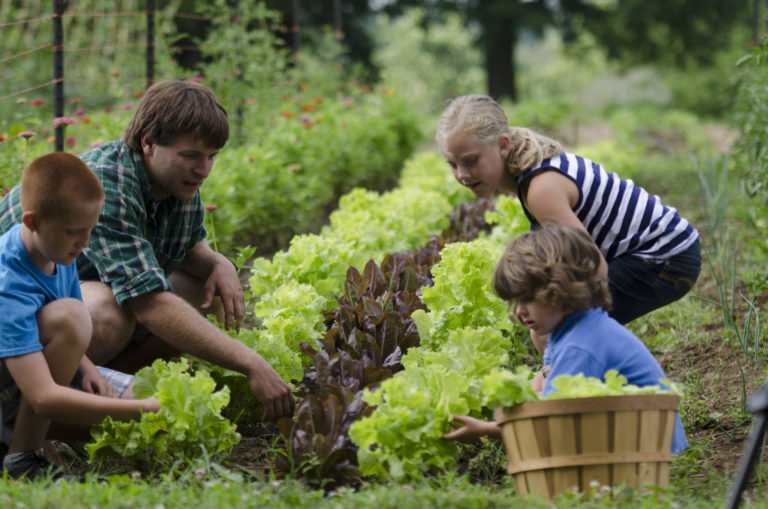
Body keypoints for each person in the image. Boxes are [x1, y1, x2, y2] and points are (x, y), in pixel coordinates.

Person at [0, 80, 294, 422]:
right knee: (108, 311)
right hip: (13, 317)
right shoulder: (108, 184)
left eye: (211, 157)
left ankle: (102, 398)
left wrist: (218, 262)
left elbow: (185, 246)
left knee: (206, 293)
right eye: (191, 156)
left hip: (53, 307)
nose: (204, 170)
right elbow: (149, 304)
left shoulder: (177, 182)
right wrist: (251, 362)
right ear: (149, 144)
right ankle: (29, 417)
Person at [436, 94, 701, 347]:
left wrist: (557, 328)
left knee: (557, 328)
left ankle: (589, 384)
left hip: (666, 257)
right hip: (663, 252)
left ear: (503, 146)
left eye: (471, 161)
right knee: (548, 323)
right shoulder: (530, 169)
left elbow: (593, 268)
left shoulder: (541, 189)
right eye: (452, 164)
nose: (462, 174)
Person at [442, 226, 687, 454]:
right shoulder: (575, 328)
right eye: (513, 302)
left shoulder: (580, 345)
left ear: (562, 289)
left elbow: (554, 418)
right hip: (641, 439)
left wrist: (486, 430)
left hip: (650, 448)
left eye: (527, 299)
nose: (518, 311)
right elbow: (545, 381)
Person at [0, 152, 160, 480]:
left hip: (27, 368)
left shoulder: (57, 247)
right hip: (14, 382)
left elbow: (66, 318)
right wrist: (141, 411)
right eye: (75, 232)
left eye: (89, 230)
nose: (84, 243)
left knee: (157, 421)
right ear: (31, 221)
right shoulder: (8, 282)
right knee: (72, 318)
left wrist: (86, 367)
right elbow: (43, 397)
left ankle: (27, 435)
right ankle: (23, 459)